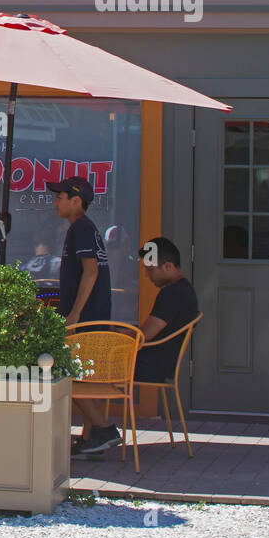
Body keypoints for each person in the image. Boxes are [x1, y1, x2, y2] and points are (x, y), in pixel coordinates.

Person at [74, 236, 199, 455]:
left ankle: (103, 430)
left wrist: (113, 333)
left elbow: (144, 336)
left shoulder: (172, 294)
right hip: (157, 362)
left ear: (168, 266)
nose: (146, 275)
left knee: (71, 371)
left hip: (149, 366)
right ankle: (91, 437)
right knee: (86, 363)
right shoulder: (184, 290)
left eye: (150, 270)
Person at [46, 176, 111, 327]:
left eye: (60, 198)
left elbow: (91, 271)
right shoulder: (83, 227)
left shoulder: (81, 227)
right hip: (89, 319)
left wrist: (75, 313)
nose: (56, 204)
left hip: (85, 321)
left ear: (75, 201)